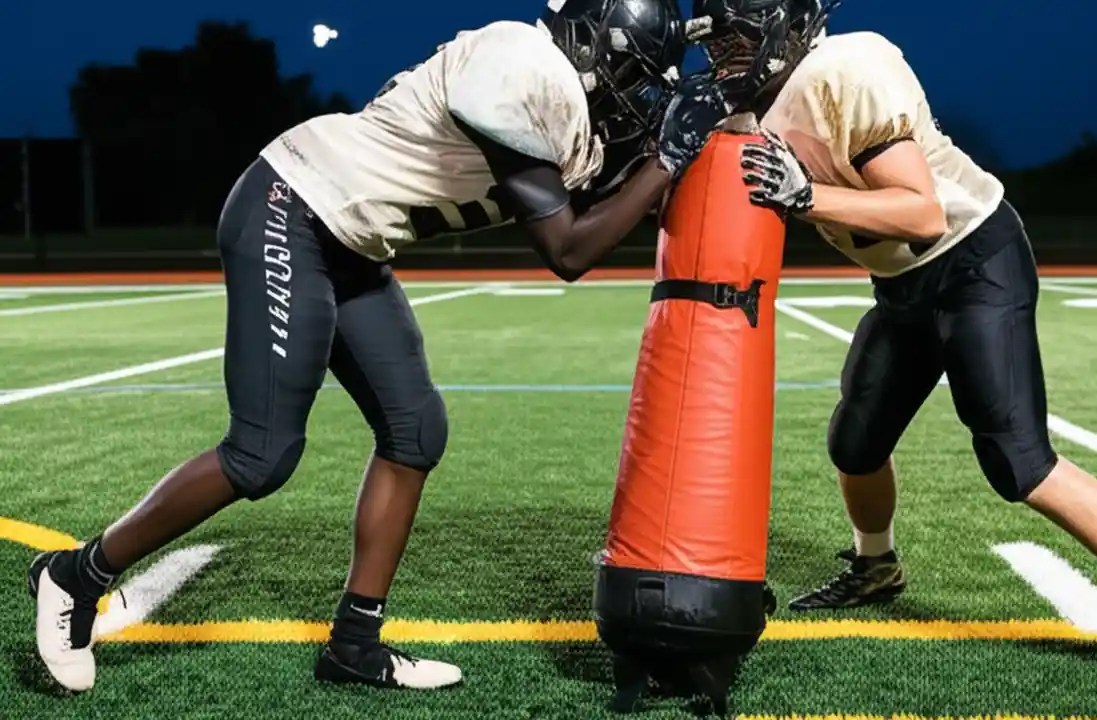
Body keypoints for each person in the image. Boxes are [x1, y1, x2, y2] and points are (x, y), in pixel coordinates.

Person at [26, 0, 724, 694]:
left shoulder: (568, 112)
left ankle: (355, 645)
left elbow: (622, 197)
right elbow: (569, 249)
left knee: (415, 431)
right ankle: (74, 577)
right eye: (633, 74)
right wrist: (665, 157)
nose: (638, 95)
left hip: (351, 241)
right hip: (292, 205)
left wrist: (717, 116)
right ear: (591, 43)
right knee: (261, 454)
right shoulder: (522, 64)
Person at [689, 0, 1097, 713]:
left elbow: (921, 214)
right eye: (718, 40)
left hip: (972, 262)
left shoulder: (842, 69)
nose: (727, 55)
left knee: (1019, 461)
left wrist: (806, 197)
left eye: (738, 34)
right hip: (901, 283)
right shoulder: (750, 106)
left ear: (785, 23)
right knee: (855, 441)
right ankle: (875, 565)